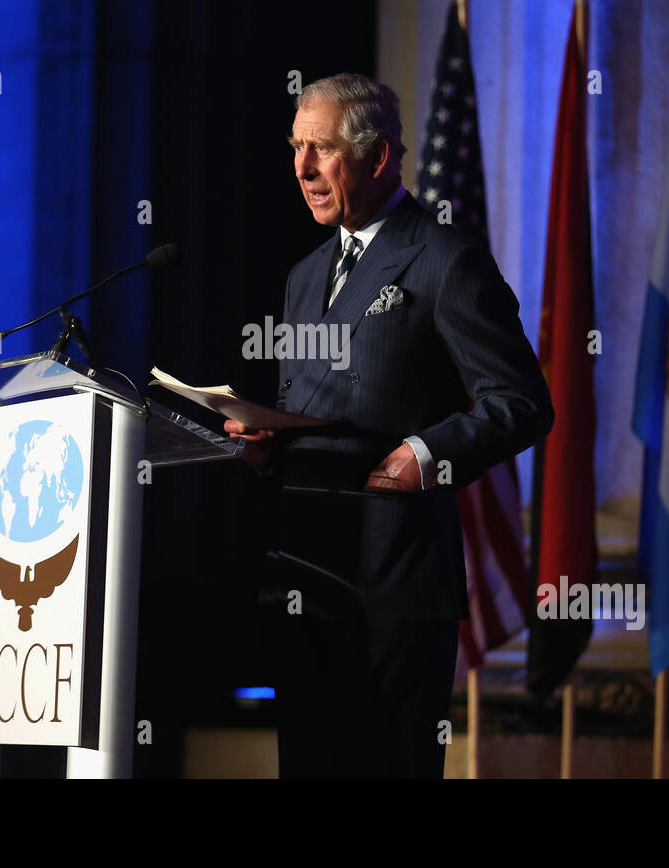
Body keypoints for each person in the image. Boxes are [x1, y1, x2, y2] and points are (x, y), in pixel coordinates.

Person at [225, 73, 552, 778]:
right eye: (296, 147)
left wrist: (426, 452)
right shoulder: (304, 276)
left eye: (321, 150)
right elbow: (315, 411)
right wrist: (266, 450)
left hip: (394, 591)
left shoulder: (445, 259)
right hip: (304, 581)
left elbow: (522, 401)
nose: (302, 168)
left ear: (377, 158)